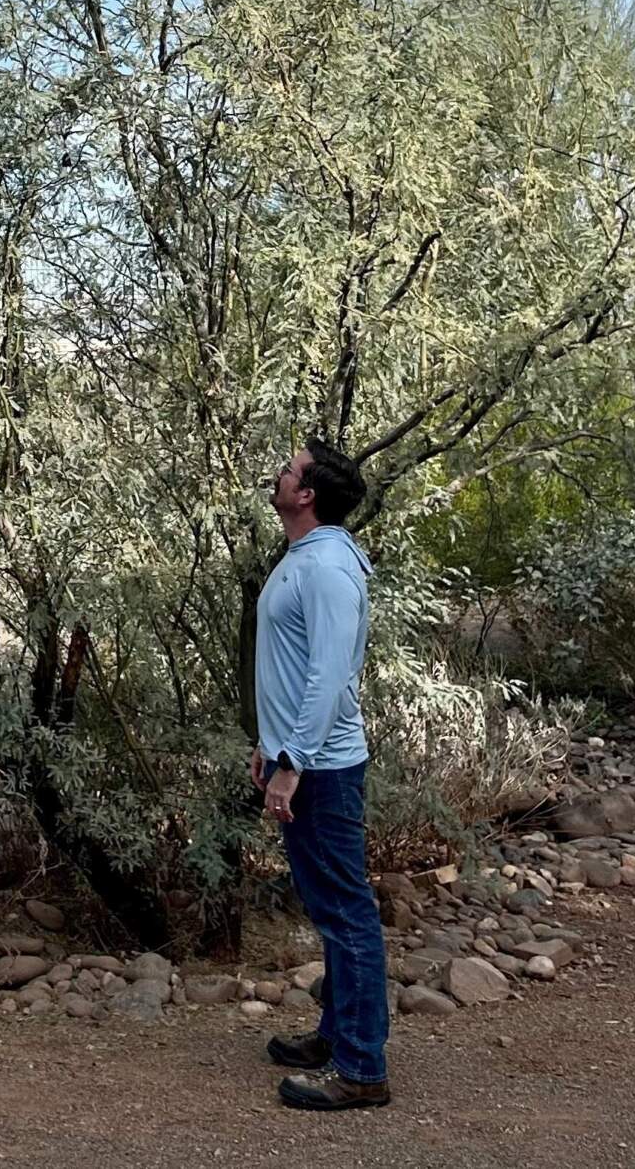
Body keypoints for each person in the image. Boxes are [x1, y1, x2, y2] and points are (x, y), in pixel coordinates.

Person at [252, 438, 389, 1111]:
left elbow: (329, 677)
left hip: (324, 769)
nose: (279, 472)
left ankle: (362, 1070)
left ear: (306, 495)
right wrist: (270, 743)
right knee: (333, 910)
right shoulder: (306, 556)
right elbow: (292, 666)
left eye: (289, 469)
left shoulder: (329, 566)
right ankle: (337, 1037)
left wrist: (293, 762)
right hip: (303, 759)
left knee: (347, 915)